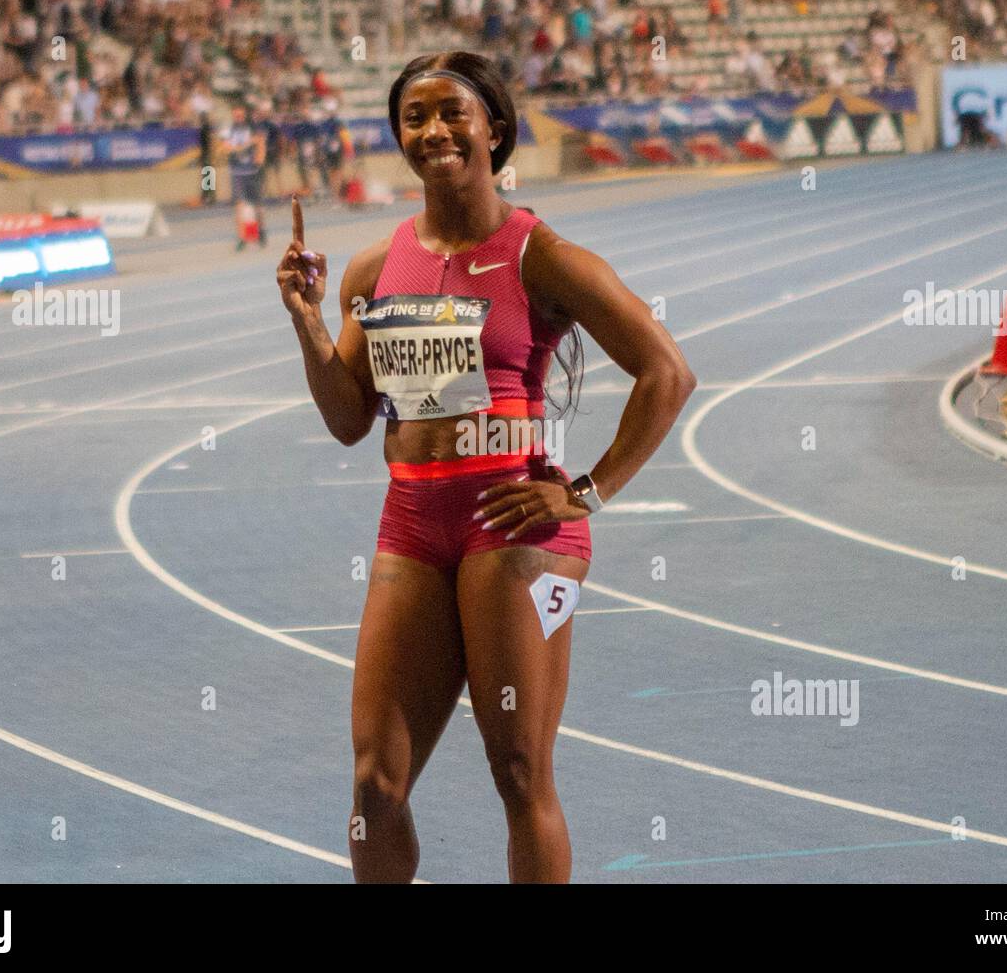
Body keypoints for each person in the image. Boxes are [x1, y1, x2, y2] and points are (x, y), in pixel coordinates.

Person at [275, 51, 697, 883]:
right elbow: (349, 420)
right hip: (412, 523)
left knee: (518, 773)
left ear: (494, 130)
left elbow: (668, 372)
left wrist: (585, 492)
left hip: (515, 527)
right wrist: (308, 323)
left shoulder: (540, 255)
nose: (433, 131)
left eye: (451, 114)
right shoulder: (373, 267)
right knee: (375, 784)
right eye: (414, 117)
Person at [224, 104, 267, 250]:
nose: (238, 118)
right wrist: (248, 143)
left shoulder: (253, 128)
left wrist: (260, 159)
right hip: (237, 172)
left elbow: (261, 144)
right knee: (239, 206)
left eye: (241, 115)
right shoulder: (229, 130)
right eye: (236, 115)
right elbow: (227, 148)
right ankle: (242, 237)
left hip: (252, 171)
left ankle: (260, 231)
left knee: (257, 205)